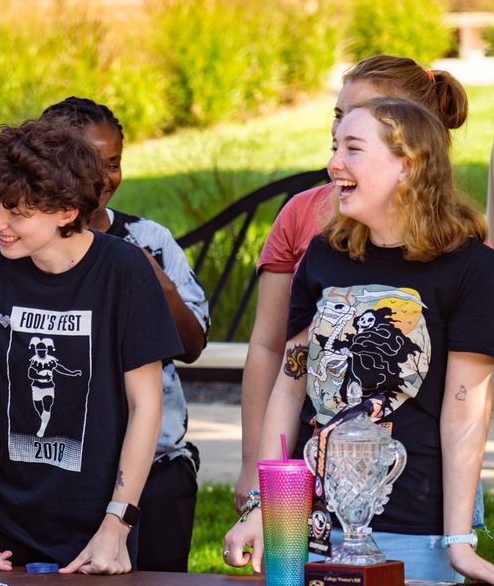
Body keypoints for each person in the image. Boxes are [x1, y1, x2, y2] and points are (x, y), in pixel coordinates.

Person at [224, 97, 494, 583]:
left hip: (414, 529)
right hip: (306, 529)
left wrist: (459, 543)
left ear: (407, 166)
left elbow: (464, 414)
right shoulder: (325, 255)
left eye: (352, 149)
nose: (333, 164)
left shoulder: (471, 269)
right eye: (334, 147)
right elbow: (290, 386)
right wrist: (262, 511)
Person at [0, 118, 180, 574]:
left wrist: (117, 523)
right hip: (7, 530)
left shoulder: (123, 272)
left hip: (101, 526)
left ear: (66, 211)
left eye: (15, 212)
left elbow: (146, 406)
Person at [235, 55, 470, 510]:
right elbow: (273, 349)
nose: (340, 138)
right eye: (339, 116)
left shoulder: (454, 243)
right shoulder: (309, 224)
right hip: (314, 462)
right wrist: (256, 467)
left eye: (360, 122)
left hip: (416, 479)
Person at [40, 96, 209, 572]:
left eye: (112, 164)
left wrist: (147, 273)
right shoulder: (18, 247)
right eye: (88, 164)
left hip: (157, 468)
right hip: (59, 469)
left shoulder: (149, 239)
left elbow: (193, 344)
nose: (103, 178)